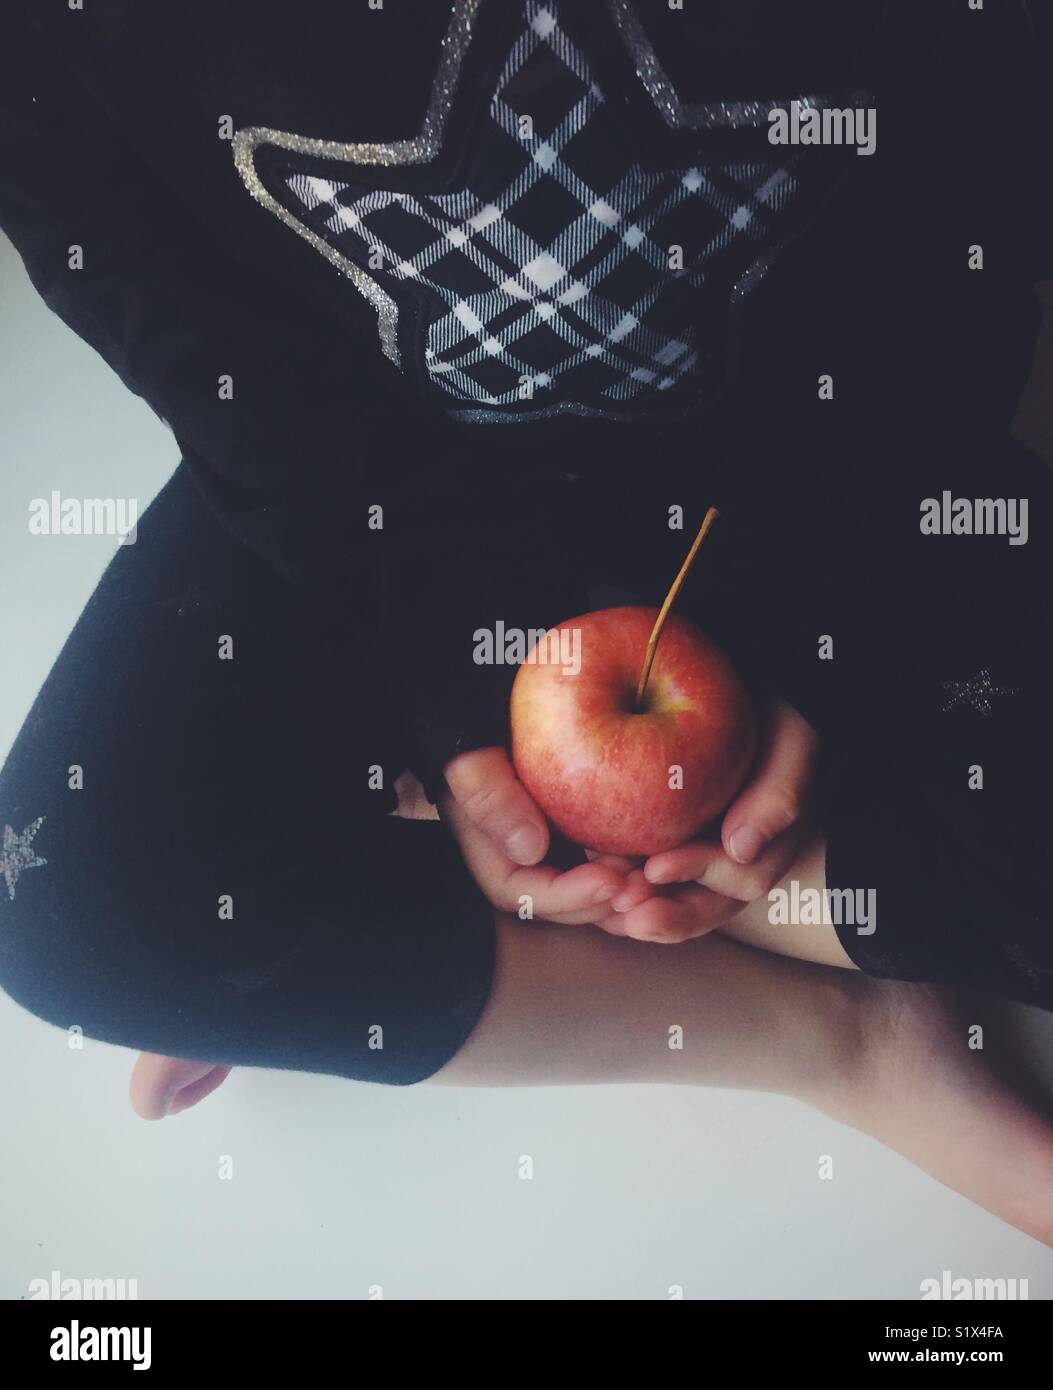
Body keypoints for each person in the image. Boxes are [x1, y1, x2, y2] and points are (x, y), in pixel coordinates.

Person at [2, 0, 1052, 1247]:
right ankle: (848, 1041)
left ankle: (433, 854)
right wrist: (444, 657)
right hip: (369, 479)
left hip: (833, 462)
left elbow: (966, 227)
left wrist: (800, 618)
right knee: (78, 903)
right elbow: (167, 305)